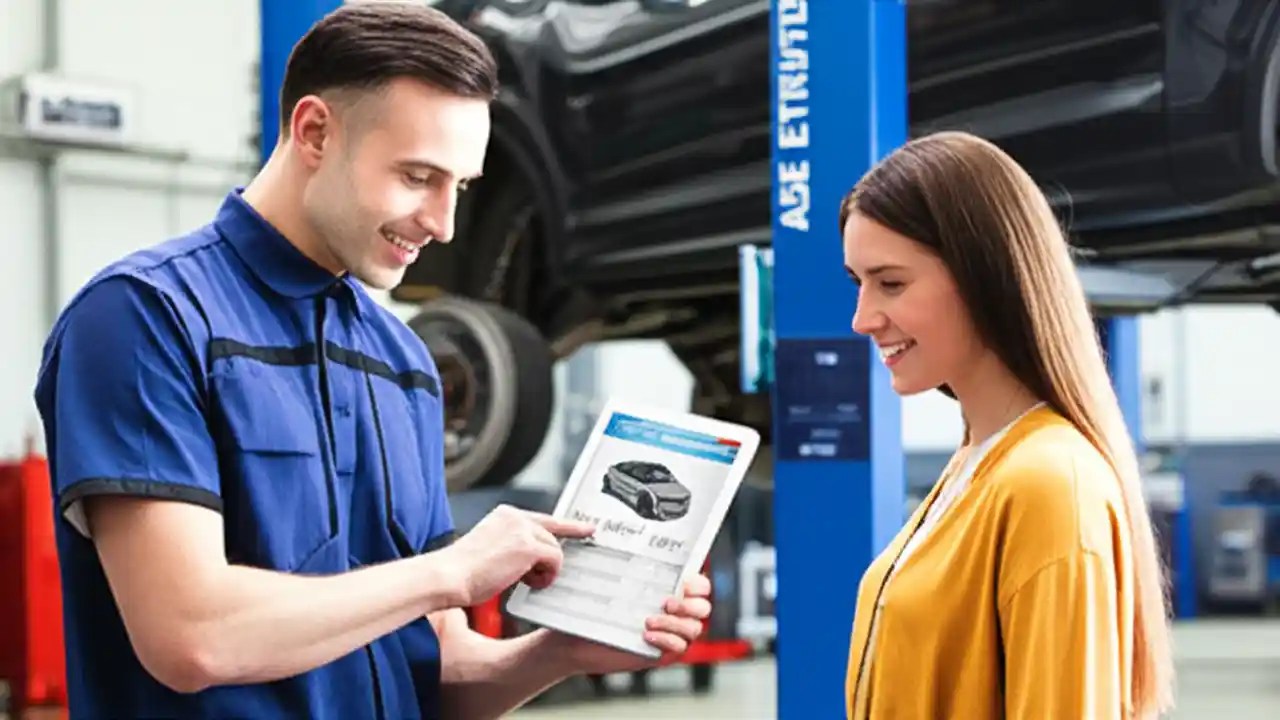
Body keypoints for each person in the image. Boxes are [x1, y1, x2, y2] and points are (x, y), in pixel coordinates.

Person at [32, 4, 711, 719]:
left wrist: (562, 651)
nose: (444, 224)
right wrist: (451, 571)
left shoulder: (404, 364)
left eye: (461, 187)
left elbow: (435, 667)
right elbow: (190, 634)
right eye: (418, 176)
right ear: (315, 132)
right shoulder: (147, 317)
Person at [837, 131, 1176, 719]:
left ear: (983, 275)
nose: (862, 319)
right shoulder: (977, 465)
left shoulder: (1049, 485)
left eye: (891, 283)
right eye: (857, 283)